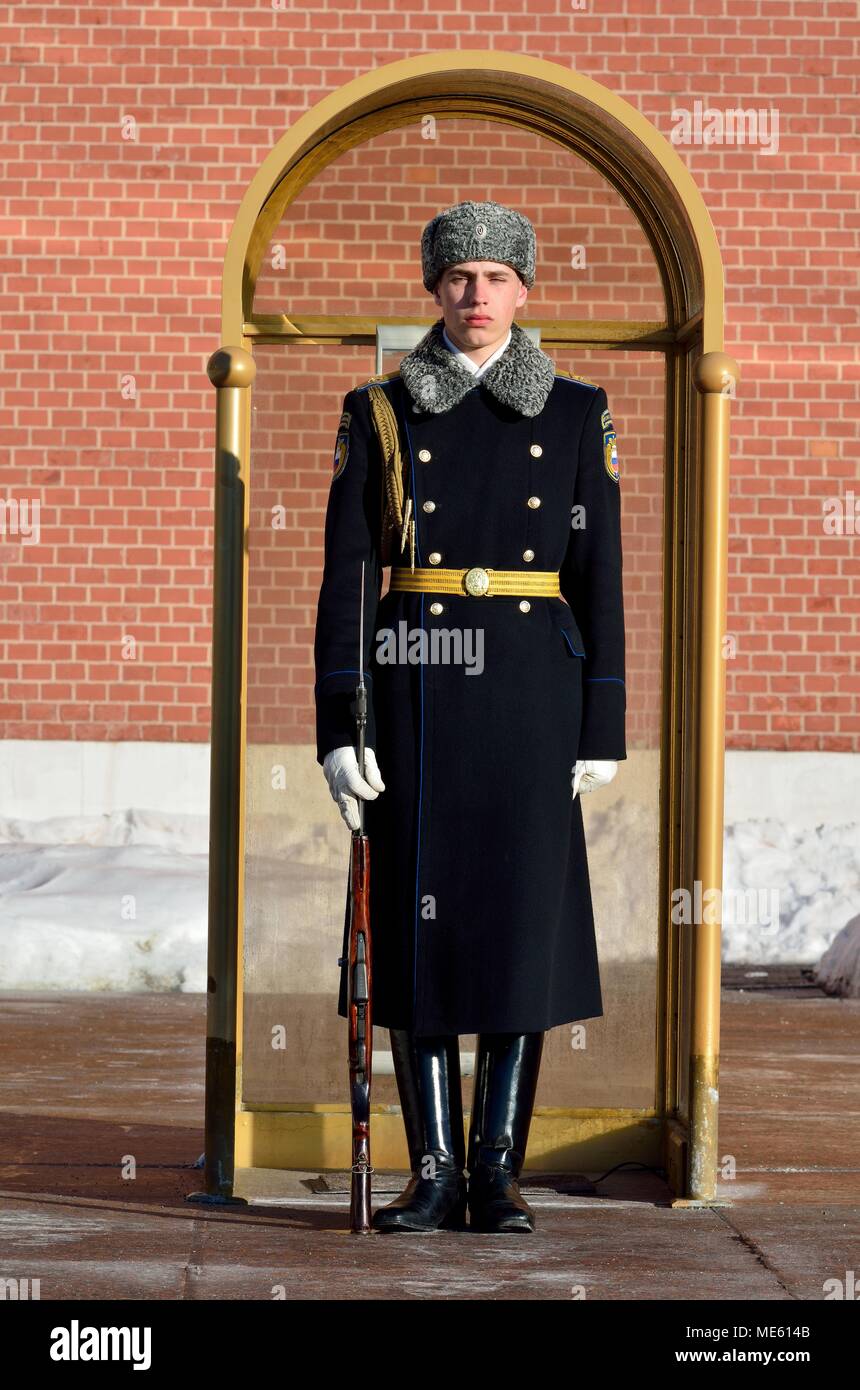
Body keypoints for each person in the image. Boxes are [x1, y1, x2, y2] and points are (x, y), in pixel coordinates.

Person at [313, 199, 626, 1234]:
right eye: (457, 277)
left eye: (495, 276)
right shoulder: (382, 411)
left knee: (515, 931)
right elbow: (350, 579)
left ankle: (497, 1170)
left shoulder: (576, 412)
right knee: (419, 930)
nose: (475, 295)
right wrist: (339, 719)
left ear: (525, 290)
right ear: (431, 290)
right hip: (417, 686)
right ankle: (432, 1171)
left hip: (533, 693)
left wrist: (600, 723)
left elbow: (602, 580)